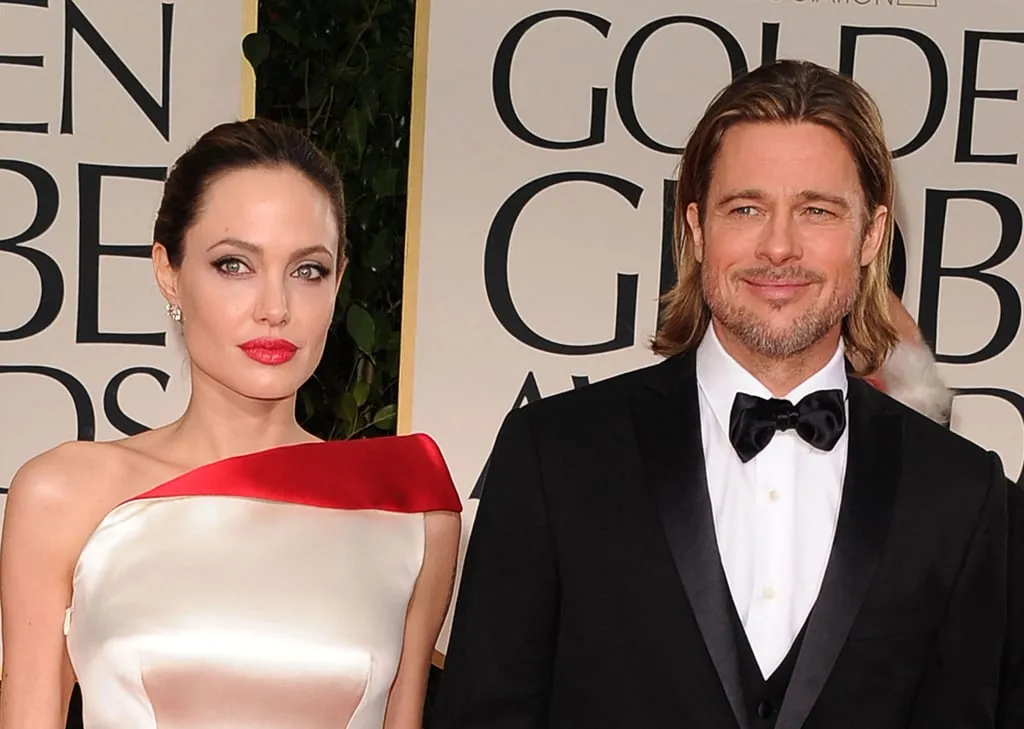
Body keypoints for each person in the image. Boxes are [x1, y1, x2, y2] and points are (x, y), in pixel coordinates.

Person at [433, 60, 1023, 729]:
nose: (778, 246)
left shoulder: (962, 494)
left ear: (871, 234)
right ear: (695, 228)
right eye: (746, 208)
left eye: (816, 211)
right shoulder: (554, 455)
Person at [0, 118, 462, 729]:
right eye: (234, 265)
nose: (274, 308)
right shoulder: (66, 495)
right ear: (169, 271)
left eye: (308, 271)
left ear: (339, 282)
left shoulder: (411, 510)